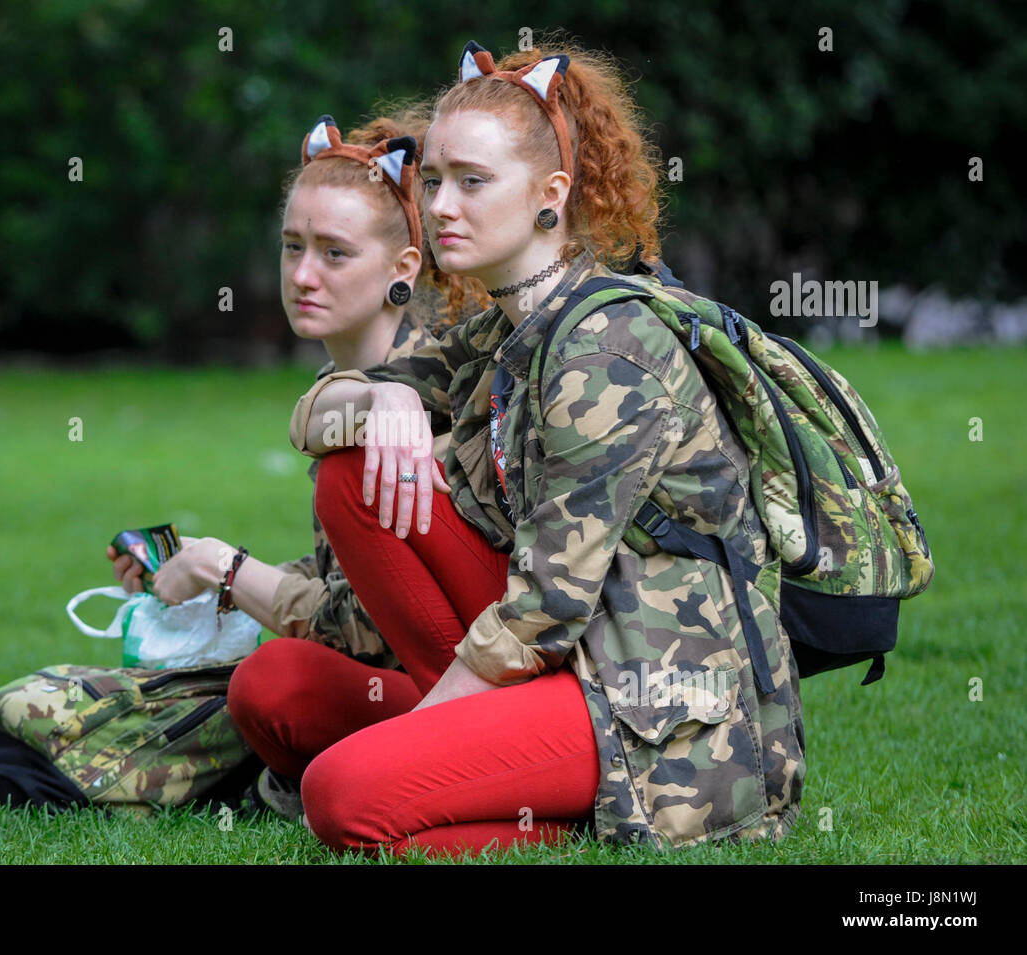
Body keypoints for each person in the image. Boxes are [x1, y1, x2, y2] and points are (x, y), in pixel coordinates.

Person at [285, 38, 806, 857]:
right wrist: (385, 392)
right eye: (434, 181)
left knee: (341, 794)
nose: (442, 205)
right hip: (565, 665)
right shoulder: (505, 321)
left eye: (472, 181)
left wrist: (418, 740)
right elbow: (312, 417)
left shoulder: (607, 347)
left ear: (550, 197)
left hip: (655, 703)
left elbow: (544, 609)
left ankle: (561, 811)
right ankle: (485, 766)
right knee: (350, 474)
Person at [107, 106, 488, 818]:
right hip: (417, 683)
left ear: (403, 269)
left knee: (271, 684)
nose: (303, 274)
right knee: (267, 681)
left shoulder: (418, 401)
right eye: (292, 246)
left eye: (334, 253)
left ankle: (348, 780)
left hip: (460, 688)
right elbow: (352, 578)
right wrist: (193, 562)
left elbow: (365, 628)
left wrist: (227, 568)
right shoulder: (353, 392)